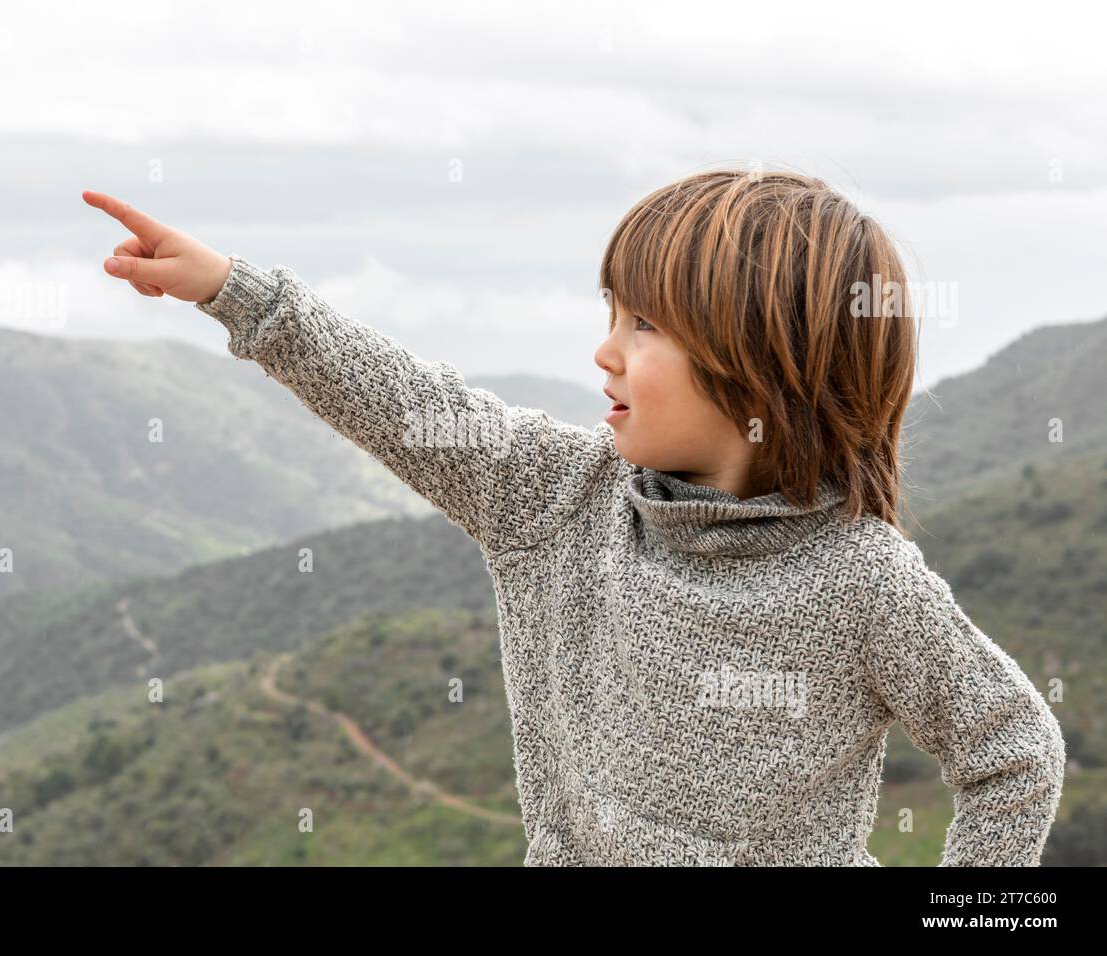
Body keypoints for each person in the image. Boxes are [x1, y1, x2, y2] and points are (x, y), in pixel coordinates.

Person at [82, 168, 1066, 866]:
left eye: (642, 324)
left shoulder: (864, 579)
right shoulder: (557, 494)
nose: (603, 352)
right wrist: (234, 291)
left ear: (759, 361)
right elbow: (405, 402)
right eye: (611, 315)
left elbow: (1010, 748)